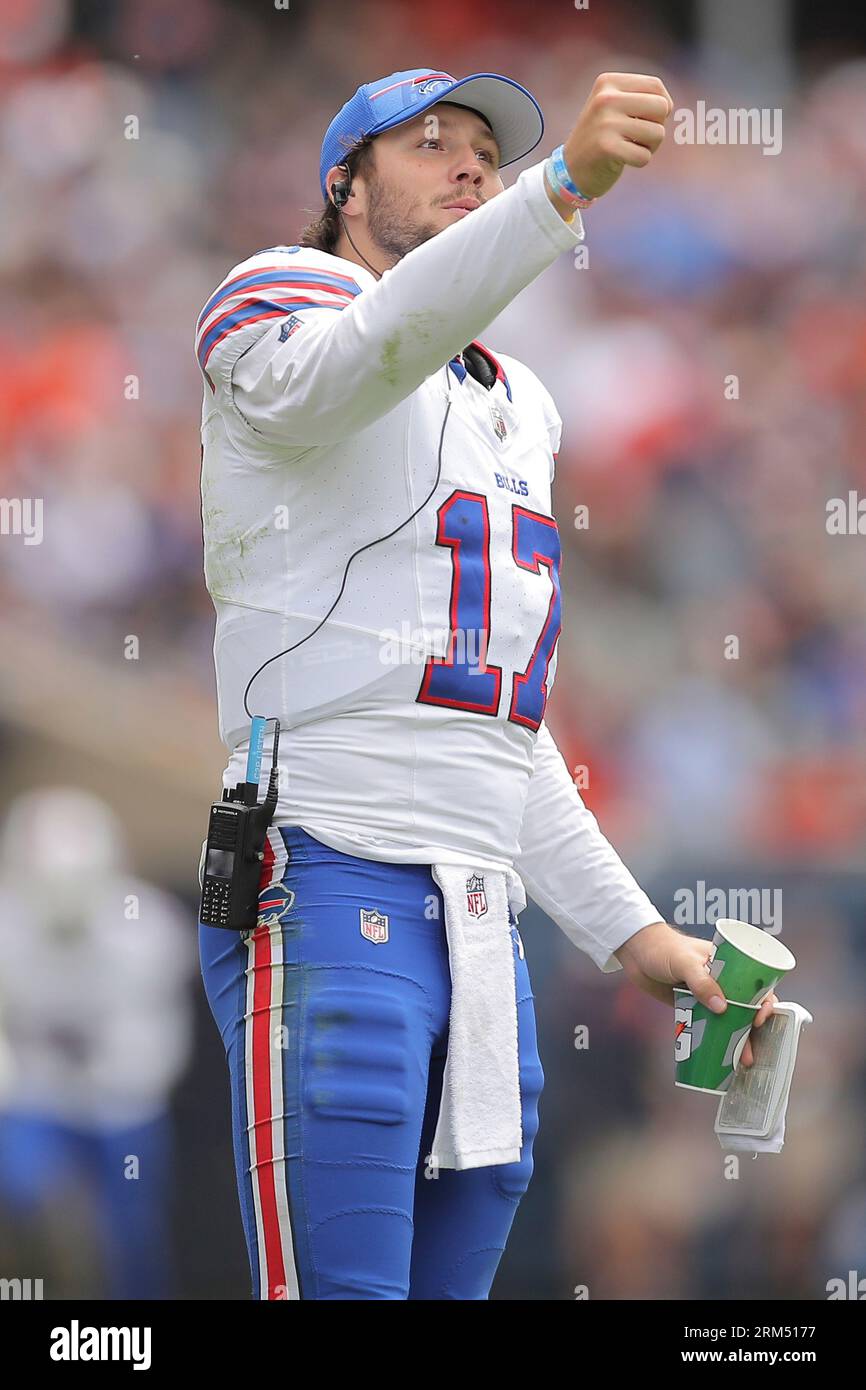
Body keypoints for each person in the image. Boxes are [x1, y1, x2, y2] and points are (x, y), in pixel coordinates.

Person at [195, 67, 776, 1301]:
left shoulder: (517, 405)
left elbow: (498, 727)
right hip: (326, 865)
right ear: (343, 185)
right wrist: (559, 190)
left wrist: (634, 931)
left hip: (480, 925)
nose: (469, 164)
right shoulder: (280, 296)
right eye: (428, 143)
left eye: (486, 150)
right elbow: (366, 352)